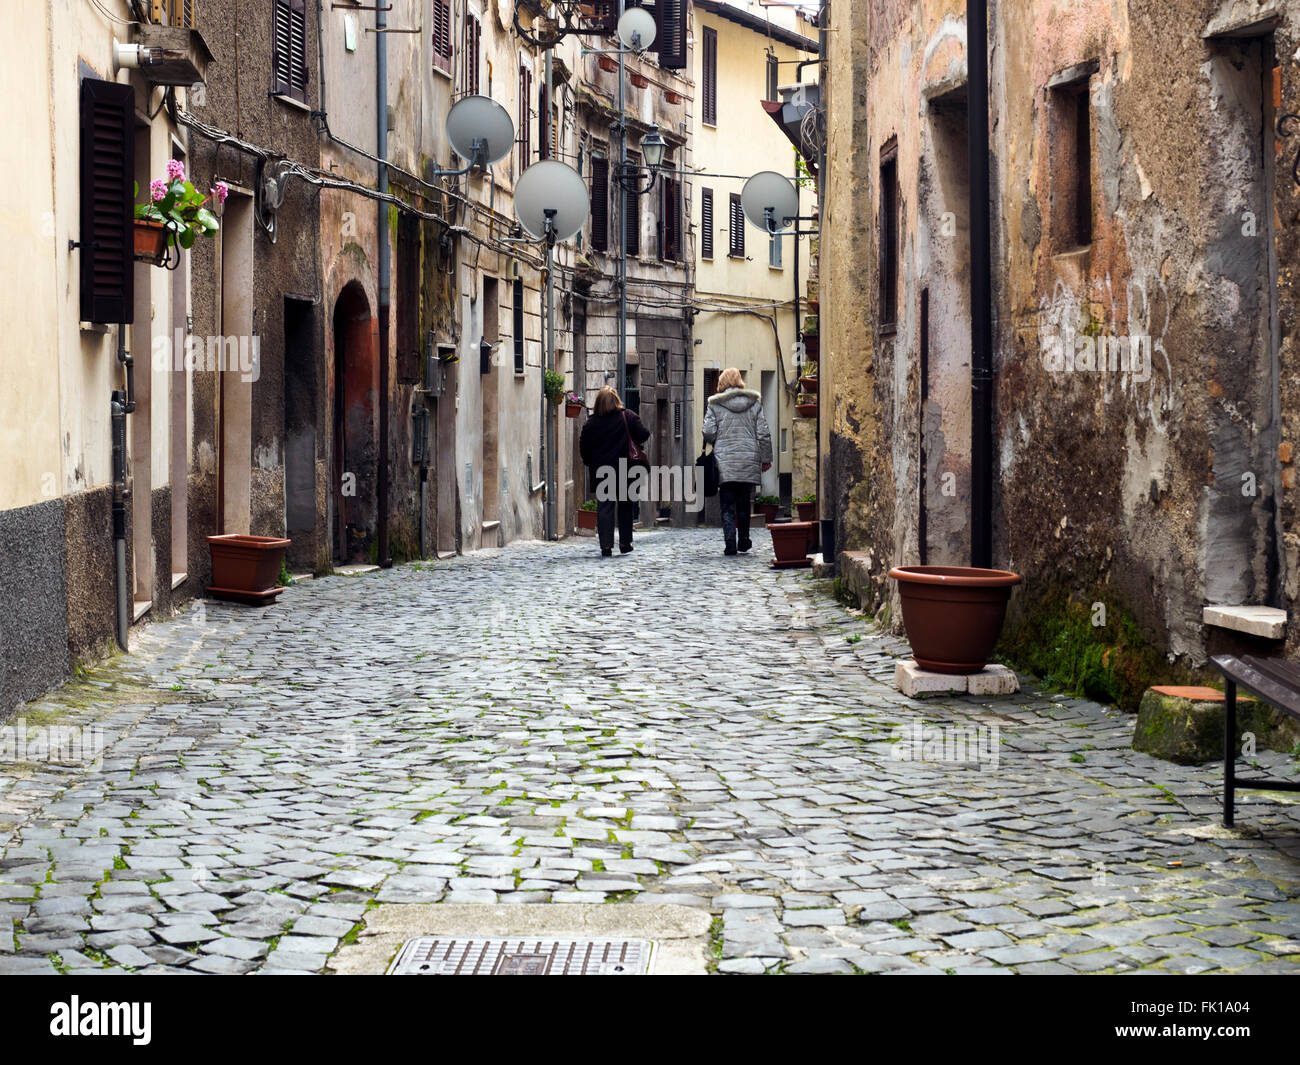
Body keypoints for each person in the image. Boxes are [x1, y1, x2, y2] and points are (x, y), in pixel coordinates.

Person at [702, 368, 773, 555]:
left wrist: (718, 438)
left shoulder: (715, 405)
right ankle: (744, 539)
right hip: (748, 460)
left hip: (724, 462)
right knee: (744, 503)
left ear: (722, 383)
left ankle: (730, 543)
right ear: (740, 381)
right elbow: (763, 434)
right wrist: (766, 458)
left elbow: (708, 432)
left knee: (726, 505)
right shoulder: (754, 404)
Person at [578, 385, 650, 556]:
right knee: (625, 505)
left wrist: (590, 462)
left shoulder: (592, 423)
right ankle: (625, 542)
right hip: (626, 469)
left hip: (602, 470)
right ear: (617, 400)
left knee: (605, 506)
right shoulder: (628, 417)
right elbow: (644, 434)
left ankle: (606, 545)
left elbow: (584, 447)